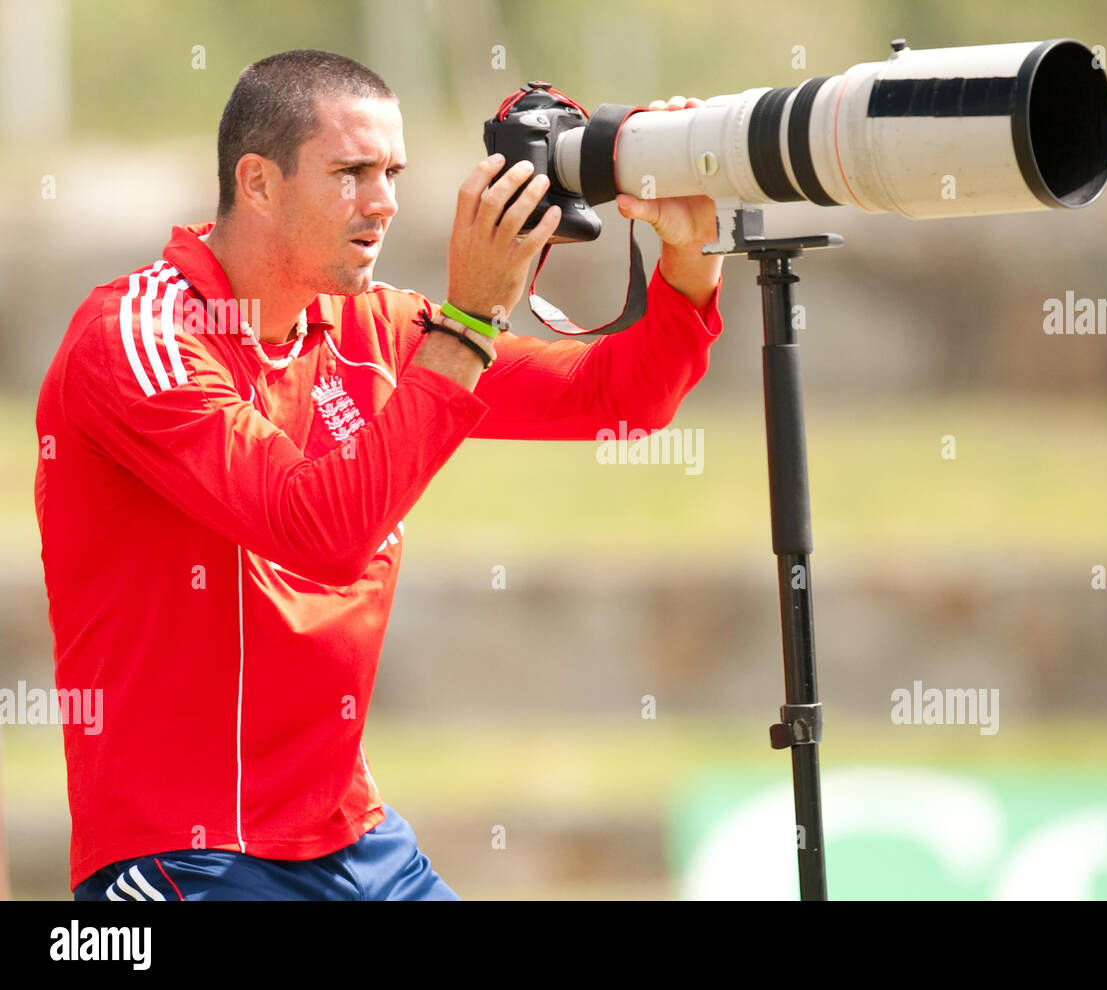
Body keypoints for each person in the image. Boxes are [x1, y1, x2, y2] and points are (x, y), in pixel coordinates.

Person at [34, 49, 723, 901]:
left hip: (353, 839)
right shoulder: (136, 338)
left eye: (392, 173)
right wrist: (469, 321)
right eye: (351, 172)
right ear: (258, 182)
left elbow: (617, 398)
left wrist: (690, 256)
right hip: (187, 849)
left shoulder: (374, 326)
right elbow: (319, 535)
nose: (385, 201)